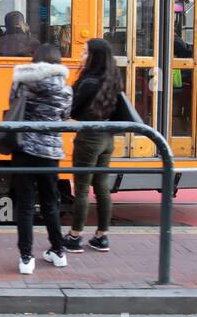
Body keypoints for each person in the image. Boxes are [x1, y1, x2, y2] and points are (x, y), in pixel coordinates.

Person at [9, 43, 73, 274]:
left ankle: (26, 258)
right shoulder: (65, 89)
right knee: (50, 202)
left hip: (23, 149)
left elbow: (12, 106)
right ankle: (58, 252)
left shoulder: (21, 81)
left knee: (25, 205)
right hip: (50, 153)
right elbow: (65, 116)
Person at [63, 37, 122, 254]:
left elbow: (73, 111)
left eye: (85, 53)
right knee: (102, 187)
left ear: (95, 56)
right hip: (107, 138)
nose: (81, 56)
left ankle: (75, 236)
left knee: (81, 189)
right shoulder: (113, 79)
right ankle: (101, 236)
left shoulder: (89, 82)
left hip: (89, 138)